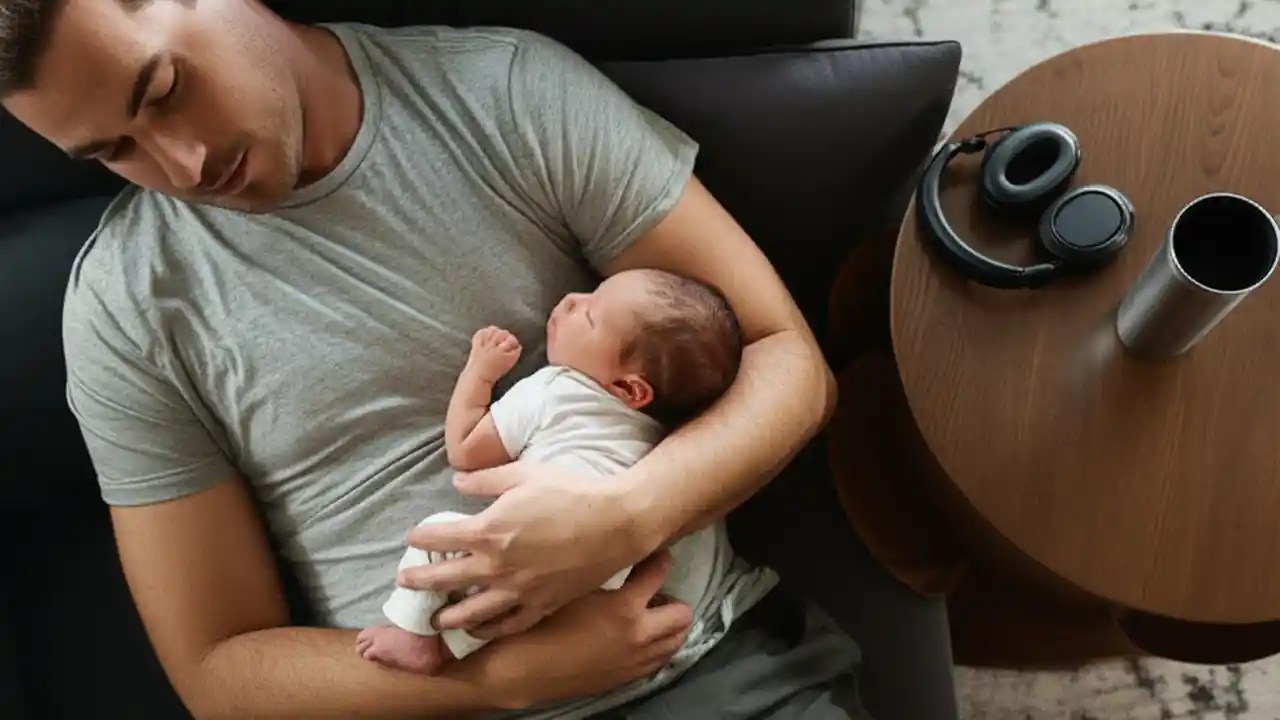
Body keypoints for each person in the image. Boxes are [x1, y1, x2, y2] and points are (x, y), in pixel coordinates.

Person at [2, 0, 866, 717]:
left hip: (703, 677)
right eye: (115, 152)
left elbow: (786, 358)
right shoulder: (126, 307)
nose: (182, 163)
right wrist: (504, 678)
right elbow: (219, 673)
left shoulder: (505, 95)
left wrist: (629, 518)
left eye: (166, 90)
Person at [359, 269, 778, 684]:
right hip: (612, 571)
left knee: (437, 536)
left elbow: (466, 449)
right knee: (513, 607)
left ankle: (415, 634)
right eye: (590, 294)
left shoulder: (553, 389)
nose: (573, 299)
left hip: (529, 545)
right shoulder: (668, 438)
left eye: (591, 315)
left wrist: (479, 372)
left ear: (630, 389)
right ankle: (450, 648)